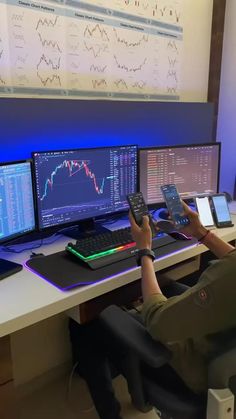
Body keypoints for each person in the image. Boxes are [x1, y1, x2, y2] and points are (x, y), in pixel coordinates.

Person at [69, 202, 236, 419]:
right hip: (221, 349)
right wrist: (201, 233)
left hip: (195, 374)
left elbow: (157, 320)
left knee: (88, 327)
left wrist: (145, 251)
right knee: (170, 286)